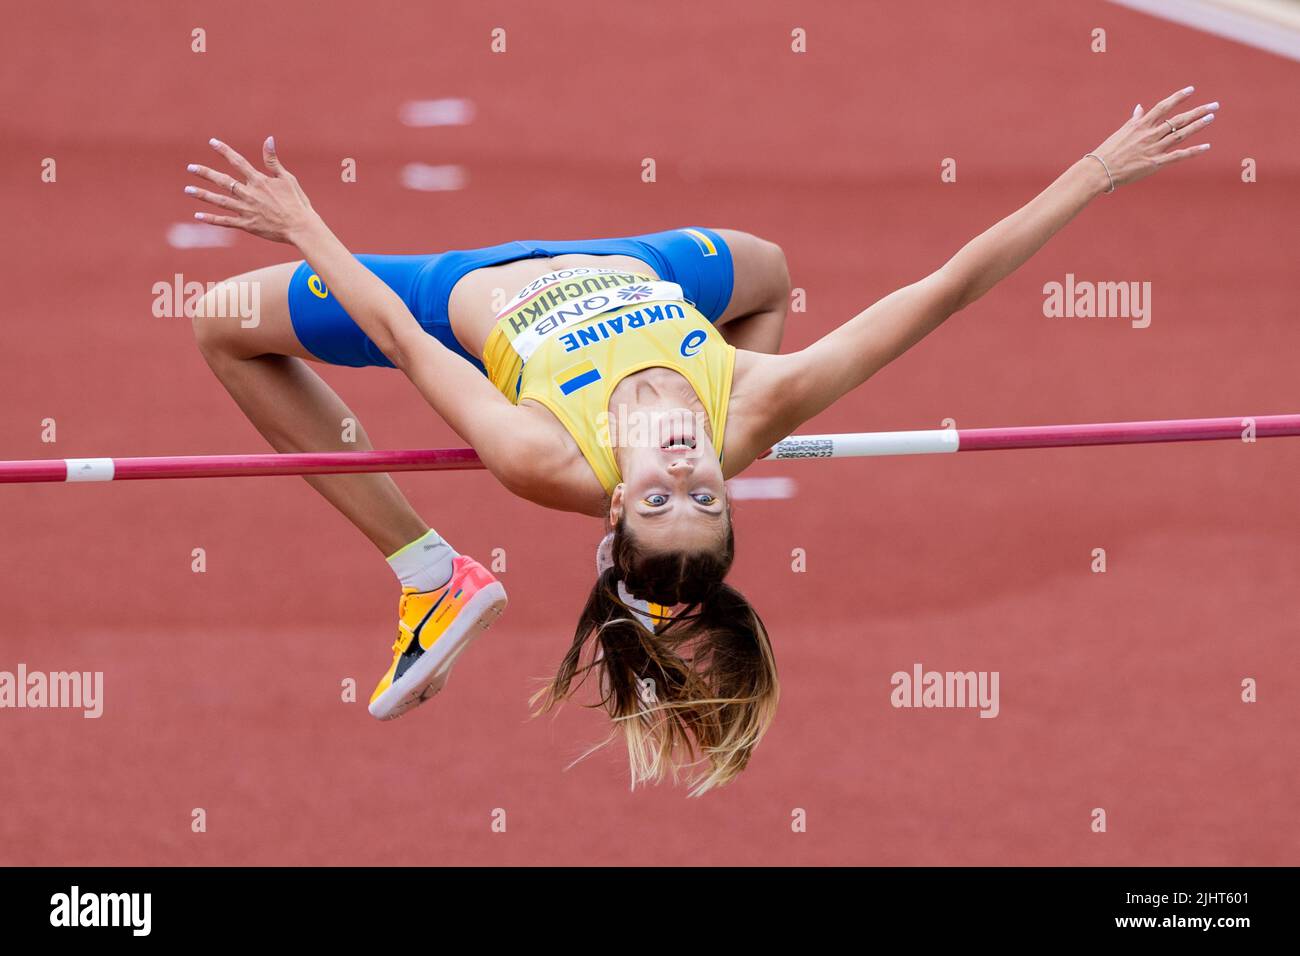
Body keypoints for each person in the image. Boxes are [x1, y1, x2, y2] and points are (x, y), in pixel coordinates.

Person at [187, 86, 1215, 793]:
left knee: (220, 319)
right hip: (641, 267)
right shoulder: (752, 410)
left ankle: (428, 569)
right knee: (767, 267)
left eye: (656, 498)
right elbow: (942, 290)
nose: (682, 474)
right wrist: (1094, 171)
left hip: (446, 289)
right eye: (707, 496)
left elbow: (404, 343)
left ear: (610, 513)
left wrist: (304, 224)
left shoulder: (544, 456)